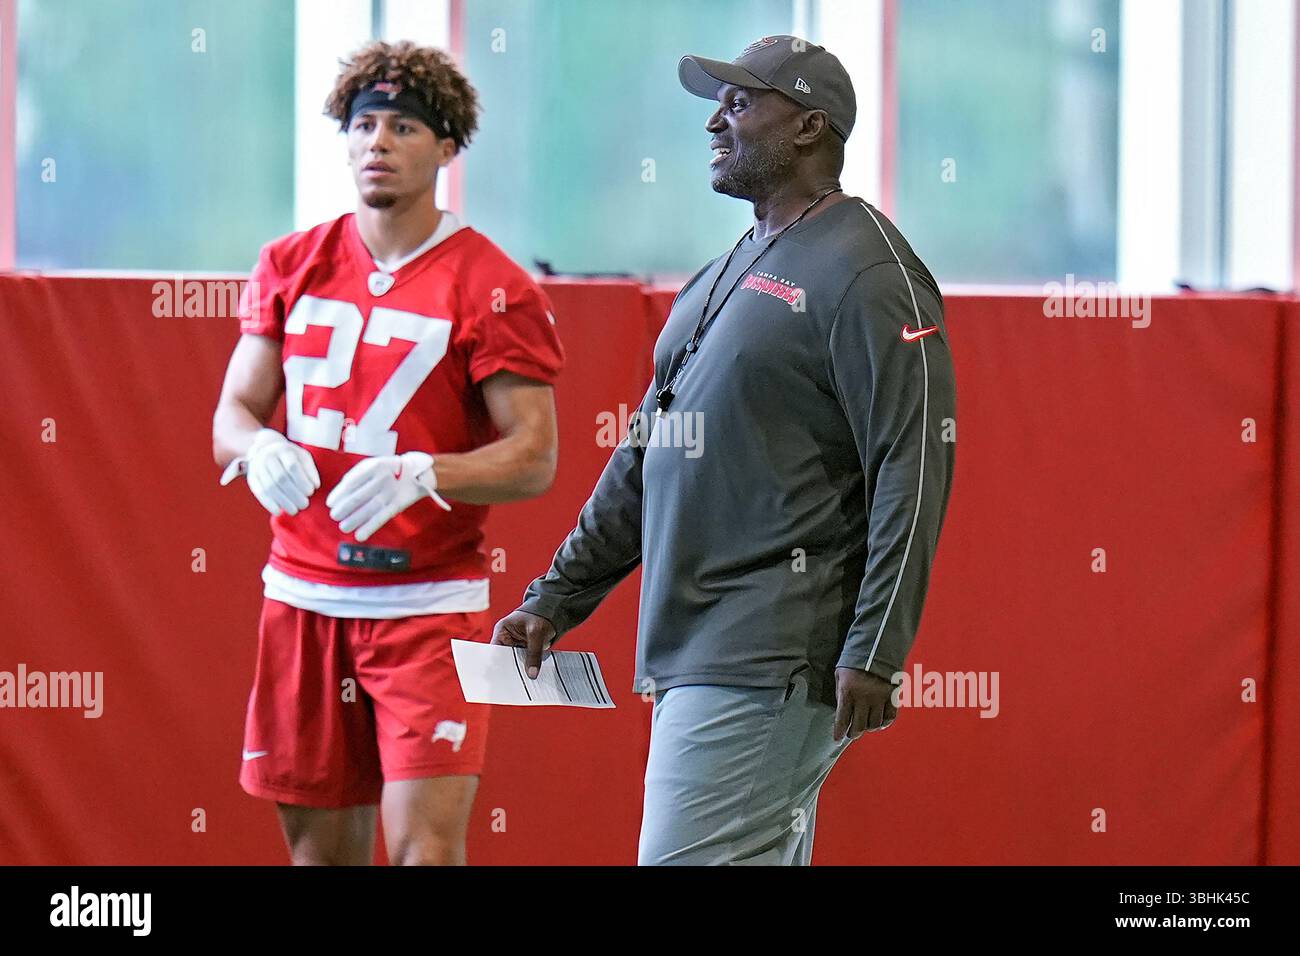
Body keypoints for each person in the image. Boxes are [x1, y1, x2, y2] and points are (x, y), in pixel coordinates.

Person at [492, 35, 956, 865]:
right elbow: (646, 454)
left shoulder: (869, 269)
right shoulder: (725, 269)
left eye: (740, 103)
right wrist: (553, 598)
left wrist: (878, 648)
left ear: (810, 126)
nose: (715, 121)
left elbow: (912, 465)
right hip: (697, 646)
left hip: (770, 647)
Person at [211, 40, 564, 865]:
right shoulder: (292, 263)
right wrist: (258, 447)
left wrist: (427, 471)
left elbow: (535, 456)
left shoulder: (493, 282)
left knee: (425, 855)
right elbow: (231, 412)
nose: (378, 142)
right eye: (364, 124)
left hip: (428, 607)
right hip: (303, 596)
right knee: (319, 858)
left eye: (403, 126)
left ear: (445, 148)